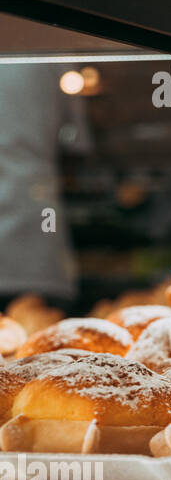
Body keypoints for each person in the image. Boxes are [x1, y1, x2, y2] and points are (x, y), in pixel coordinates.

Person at [0, 65, 77, 309]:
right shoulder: (60, 49)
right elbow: (76, 143)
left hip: (39, 223)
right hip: (40, 210)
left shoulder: (55, 47)